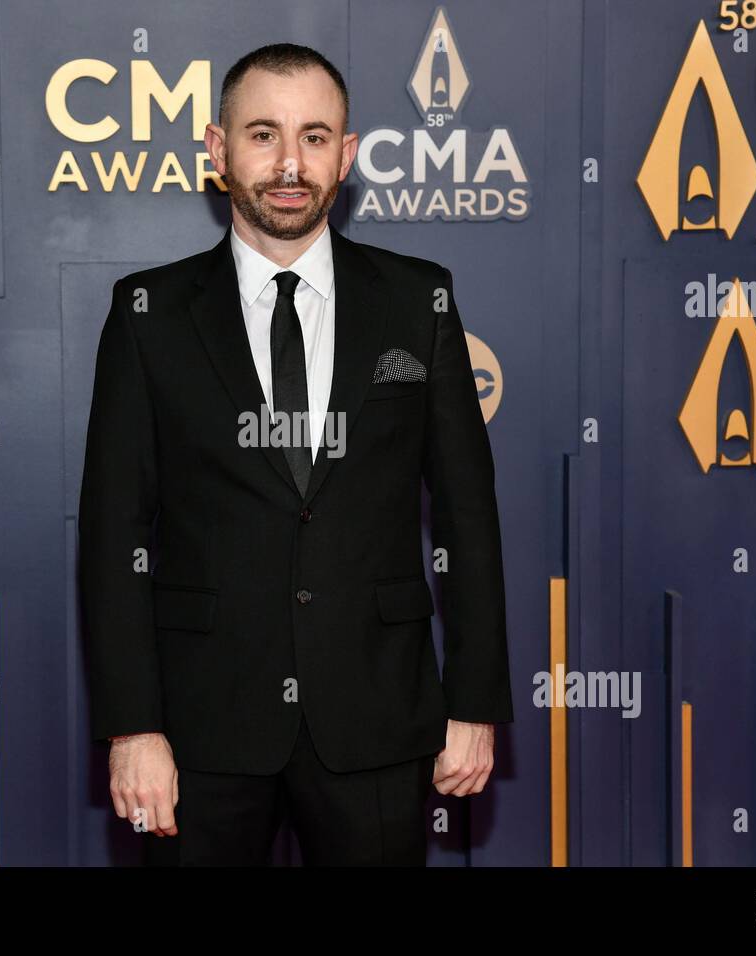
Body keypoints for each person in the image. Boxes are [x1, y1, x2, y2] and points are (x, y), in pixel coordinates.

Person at [78, 42, 513, 866]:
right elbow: (112, 532)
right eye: (263, 134)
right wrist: (135, 727)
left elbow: (468, 513)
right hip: (201, 727)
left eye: (315, 137)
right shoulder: (149, 314)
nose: (289, 163)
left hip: (379, 718)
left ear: (346, 156)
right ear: (217, 149)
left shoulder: (418, 301)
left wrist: (476, 701)